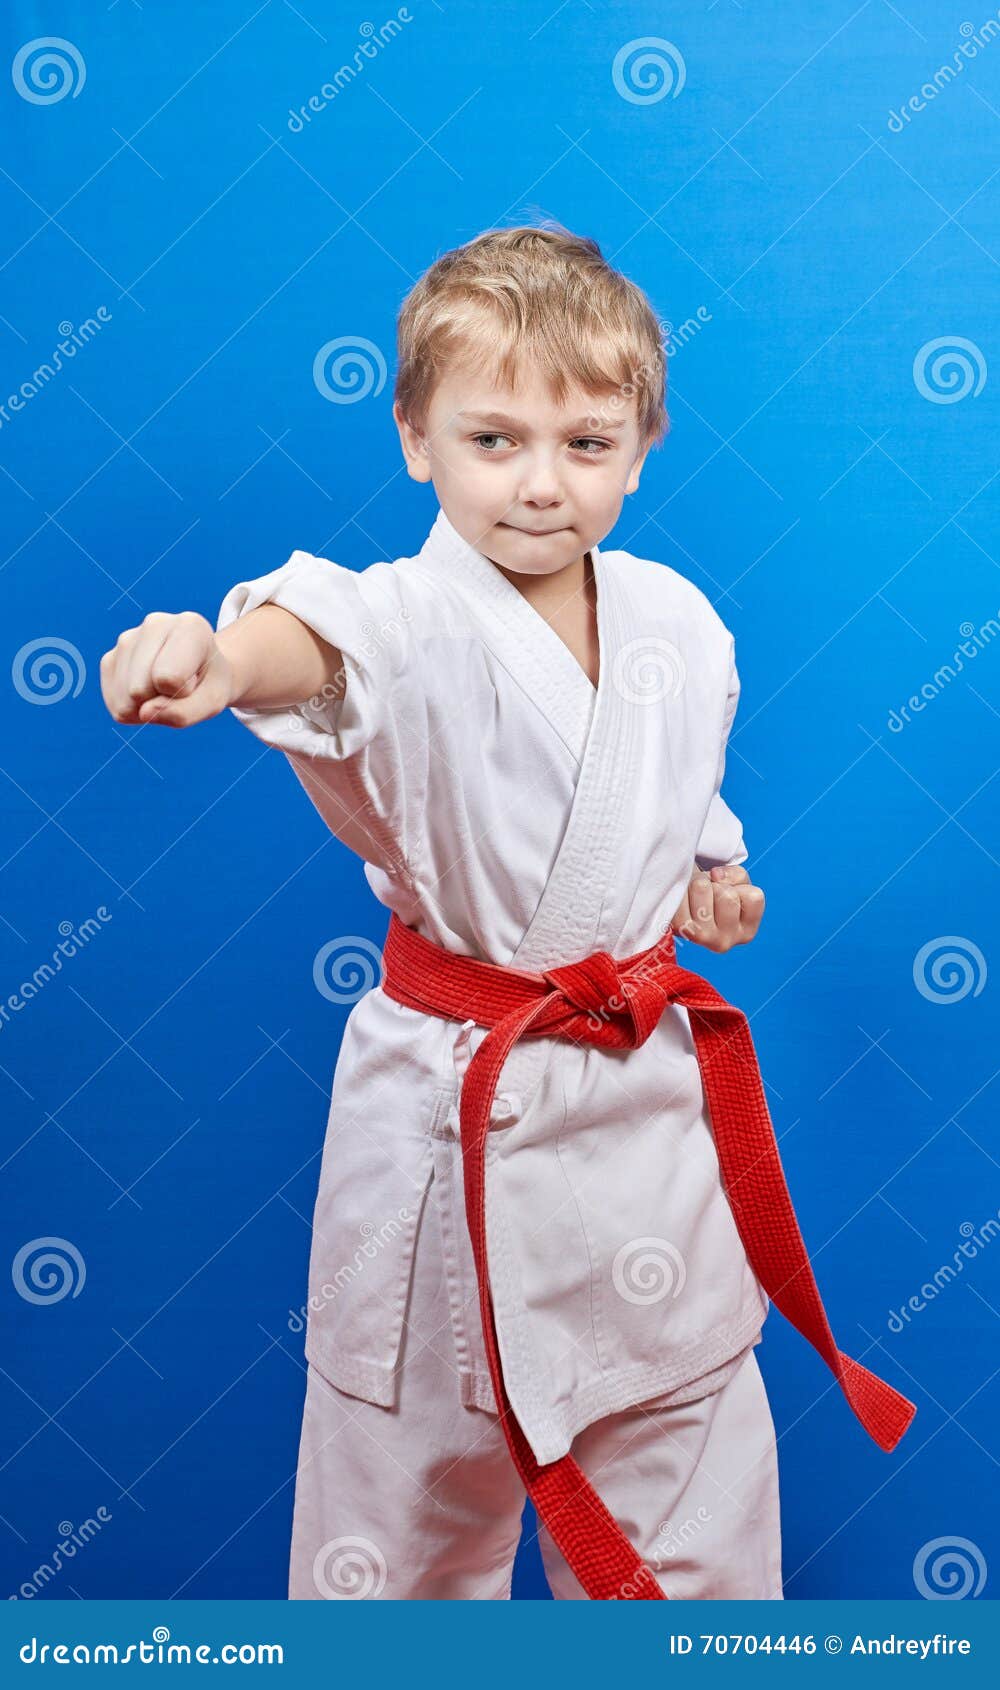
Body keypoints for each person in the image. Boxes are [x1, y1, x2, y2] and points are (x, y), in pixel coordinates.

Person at [99, 223, 914, 1601]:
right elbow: (319, 641)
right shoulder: (409, 616)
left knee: (698, 1513)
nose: (542, 485)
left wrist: (703, 890)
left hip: (649, 1127)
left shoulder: (681, 625)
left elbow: (669, 819)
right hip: (448, 1131)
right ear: (415, 435)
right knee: (401, 1535)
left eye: (587, 444)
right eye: (493, 441)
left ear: (644, 443)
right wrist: (218, 655)